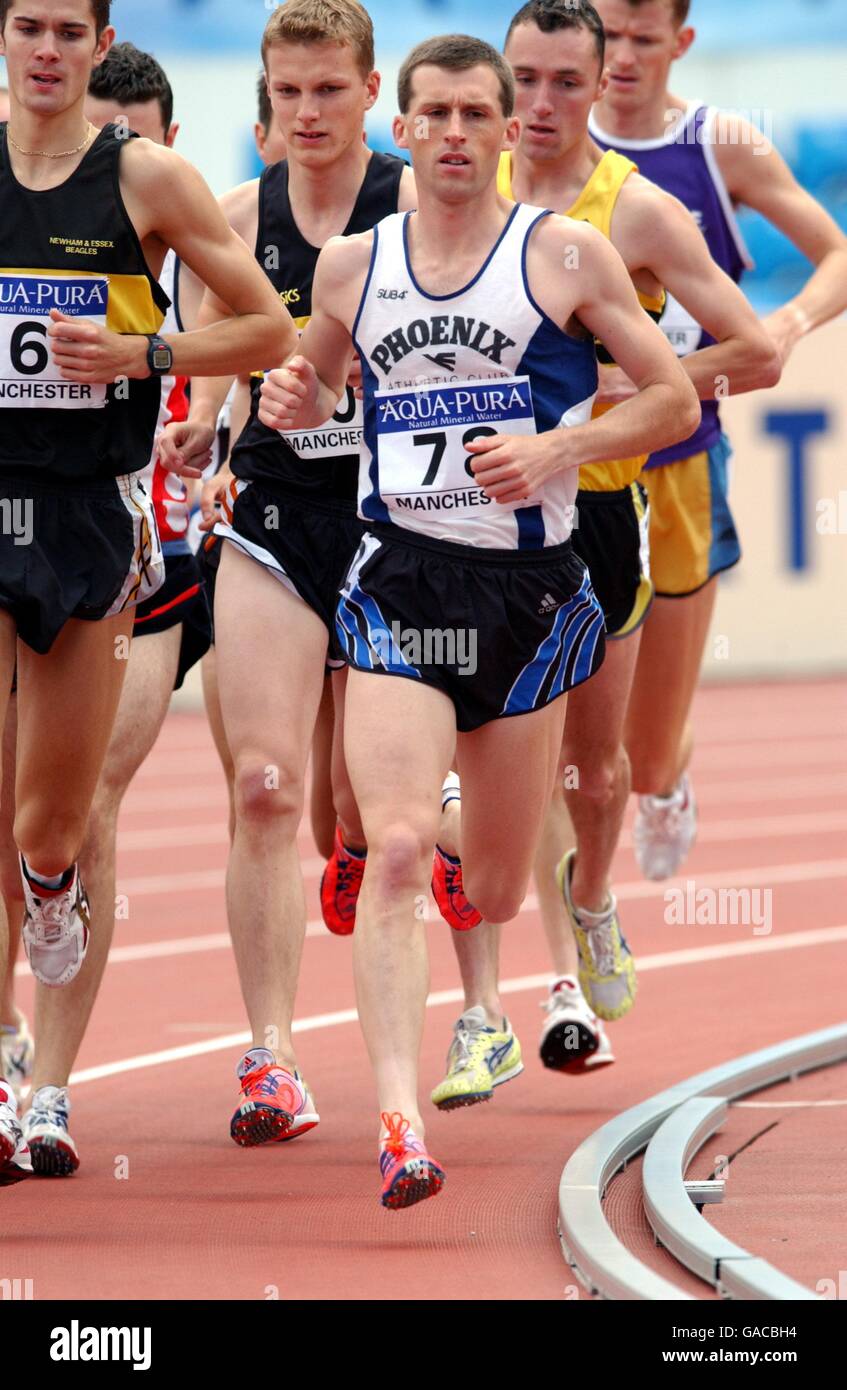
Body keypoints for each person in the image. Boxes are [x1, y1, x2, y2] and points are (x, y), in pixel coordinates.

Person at [259, 34, 699, 1206]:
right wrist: (288, 394)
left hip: (531, 593)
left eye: (475, 113)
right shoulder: (353, 266)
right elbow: (311, 383)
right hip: (399, 579)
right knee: (396, 847)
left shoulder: (563, 254)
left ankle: (458, 845)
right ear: (399, 130)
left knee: (499, 887)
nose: (454, 133)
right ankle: (400, 1124)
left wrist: (559, 444)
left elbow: (667, 393)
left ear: (509, 131)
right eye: (433, 113)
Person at [429, 0, 779, 1106]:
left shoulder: (637, 210)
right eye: (521, 81)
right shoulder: (447, 185)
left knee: (593, 770)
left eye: (562, 85)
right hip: (463, 521)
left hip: (592, 518)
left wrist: (631, 388)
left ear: (599, 87)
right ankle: (516, 1002)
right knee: (494, 767)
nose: (536, 107)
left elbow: (757, 350)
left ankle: (588, 906)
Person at [0, 0, 292, 1178]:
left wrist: (144, 355)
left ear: (98, 37)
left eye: (72, 28)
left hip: (87, 516)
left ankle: (52, 885)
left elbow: (269, 330)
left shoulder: (150, 180)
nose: (50, 48)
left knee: (48, 822)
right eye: (29, 23)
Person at [160, 0, 414, 1149]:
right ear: (262, 98)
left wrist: (348, 397)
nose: (303, 113)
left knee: (361, 806)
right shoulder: (231, 217)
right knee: (264, 785)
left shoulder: (414, 209)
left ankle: (372, 857)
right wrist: (201, 428)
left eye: (326, 90)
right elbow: (212, 347)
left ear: (369, 92)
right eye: (284, 92)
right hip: (270, 513)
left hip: (401, 520)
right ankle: (272, 1058)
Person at [589, 0, 847, 879]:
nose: (618, 57)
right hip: (566, 469)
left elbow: (835, 252)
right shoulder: (538, 141)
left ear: (681, 42)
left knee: (644, 758)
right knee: (562, 742)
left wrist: (788, 323)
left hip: (676, 463)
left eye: (640, 39)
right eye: (605, 35)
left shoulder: (715, 144)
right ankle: (569, 933)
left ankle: (668, 782)